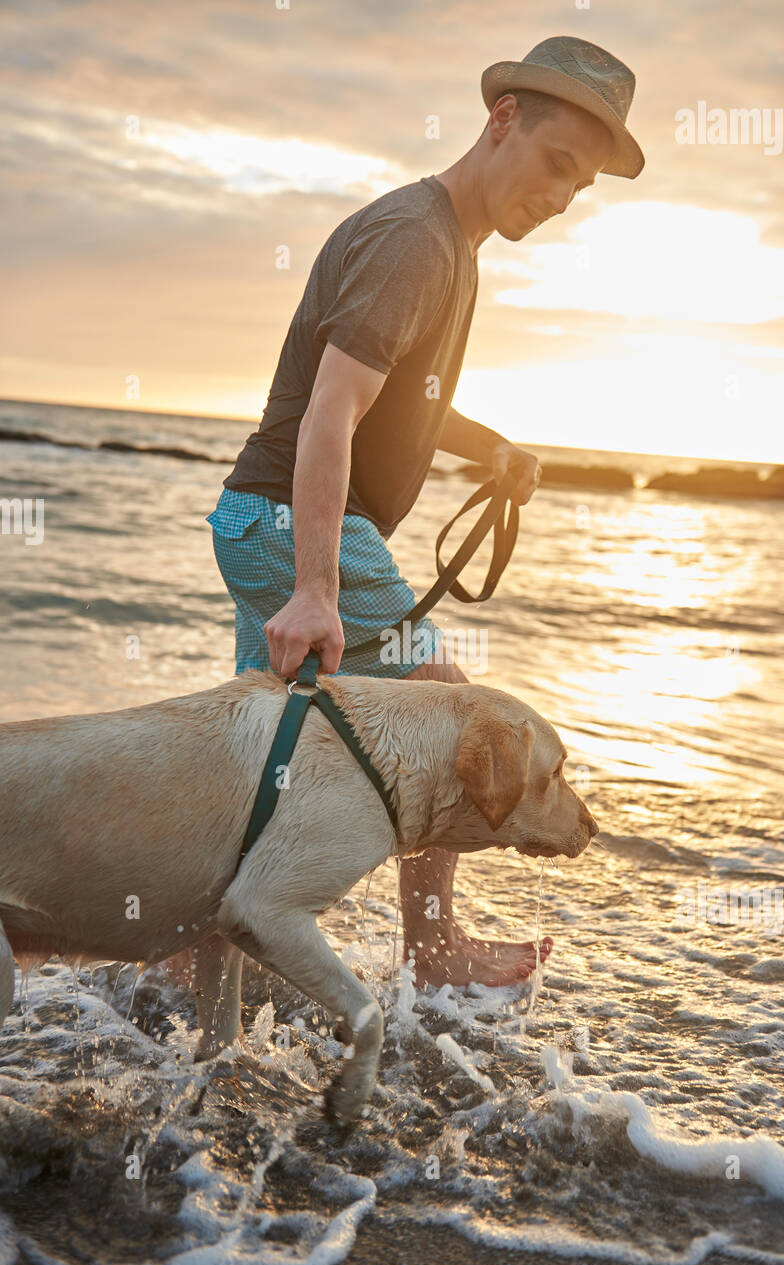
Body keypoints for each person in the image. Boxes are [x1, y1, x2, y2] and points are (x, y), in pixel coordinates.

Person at [207, 35, 644, 989]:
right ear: (500, 121)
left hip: (262, 523)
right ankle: (434, 949)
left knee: (263, 758)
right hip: (295, 529)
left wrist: (489, 448)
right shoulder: (417, 241)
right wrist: (318, 589)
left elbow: (409, 401)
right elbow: (334, 408)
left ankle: (200, 955)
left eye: (582, 183)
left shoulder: (453, 247)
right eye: (556, 162)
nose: (563, 194)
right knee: (452, 717)